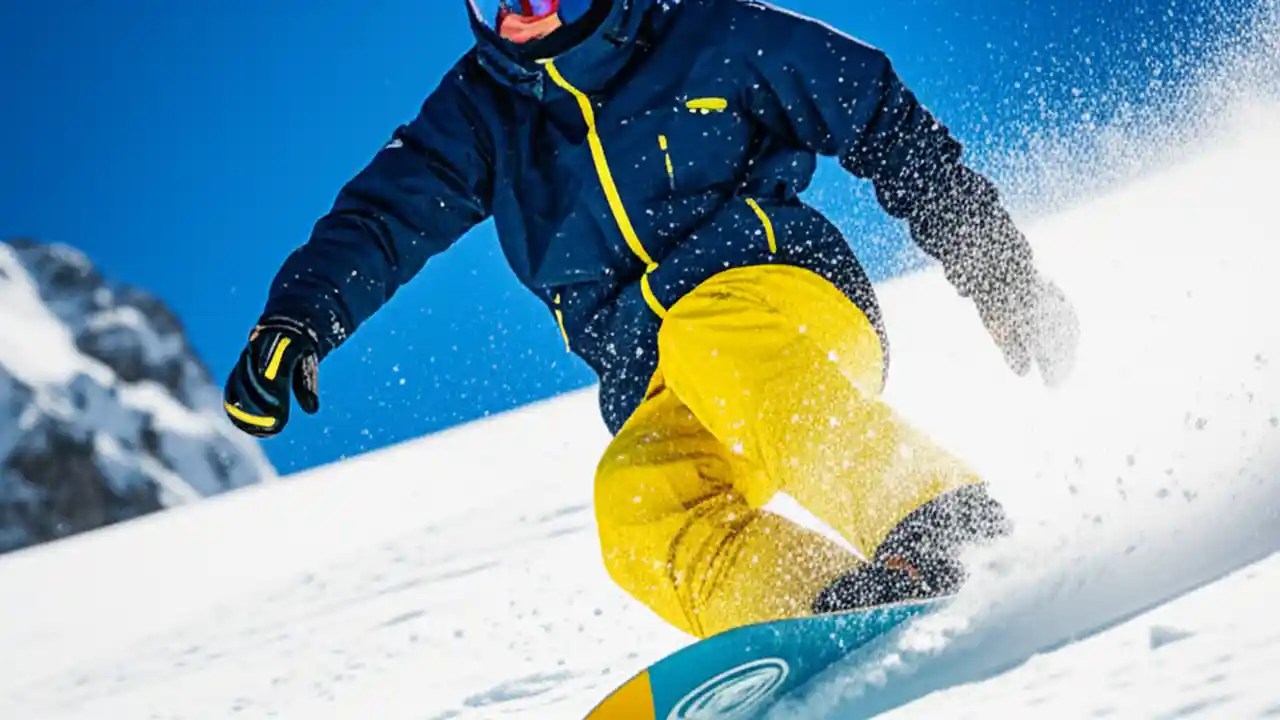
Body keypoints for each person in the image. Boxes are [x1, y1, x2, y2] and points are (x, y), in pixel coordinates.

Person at [224, 0, 1079, 639]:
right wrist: (297, 320)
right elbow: (382, 215)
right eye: (494, 1)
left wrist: (1003, 279)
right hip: (667, 372)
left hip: (785, 300)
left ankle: (945, 526)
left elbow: (881, 117)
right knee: (636, 500)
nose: (520, 21)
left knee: (712, 340)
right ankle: (830, 604)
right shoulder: (485, 108)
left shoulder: (708, 32)